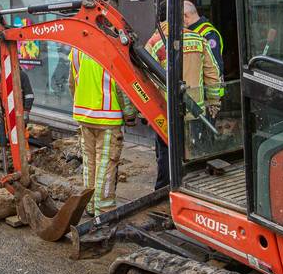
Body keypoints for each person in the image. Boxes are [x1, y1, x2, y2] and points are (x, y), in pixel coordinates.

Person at [146, 11, 222, 190]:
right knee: (194, 151)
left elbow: (146, 79)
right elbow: (212, 74)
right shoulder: (199, 39)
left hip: (167, 110)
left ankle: (165, 190)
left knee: (166, 152)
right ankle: (195, 188)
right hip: (196, 110)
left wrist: (146, 111)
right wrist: (214, 101)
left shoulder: (155, 43)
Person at [69, 48, 137, 216]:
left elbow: (72, 82)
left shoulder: (77, 49)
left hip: (84, 116)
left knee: (89, 163)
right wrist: (130, 115)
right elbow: (122, 88)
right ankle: (104, 210)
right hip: (107, 118)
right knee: (105, 165)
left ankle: (90, 206)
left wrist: (81, 105)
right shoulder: (108, 48)